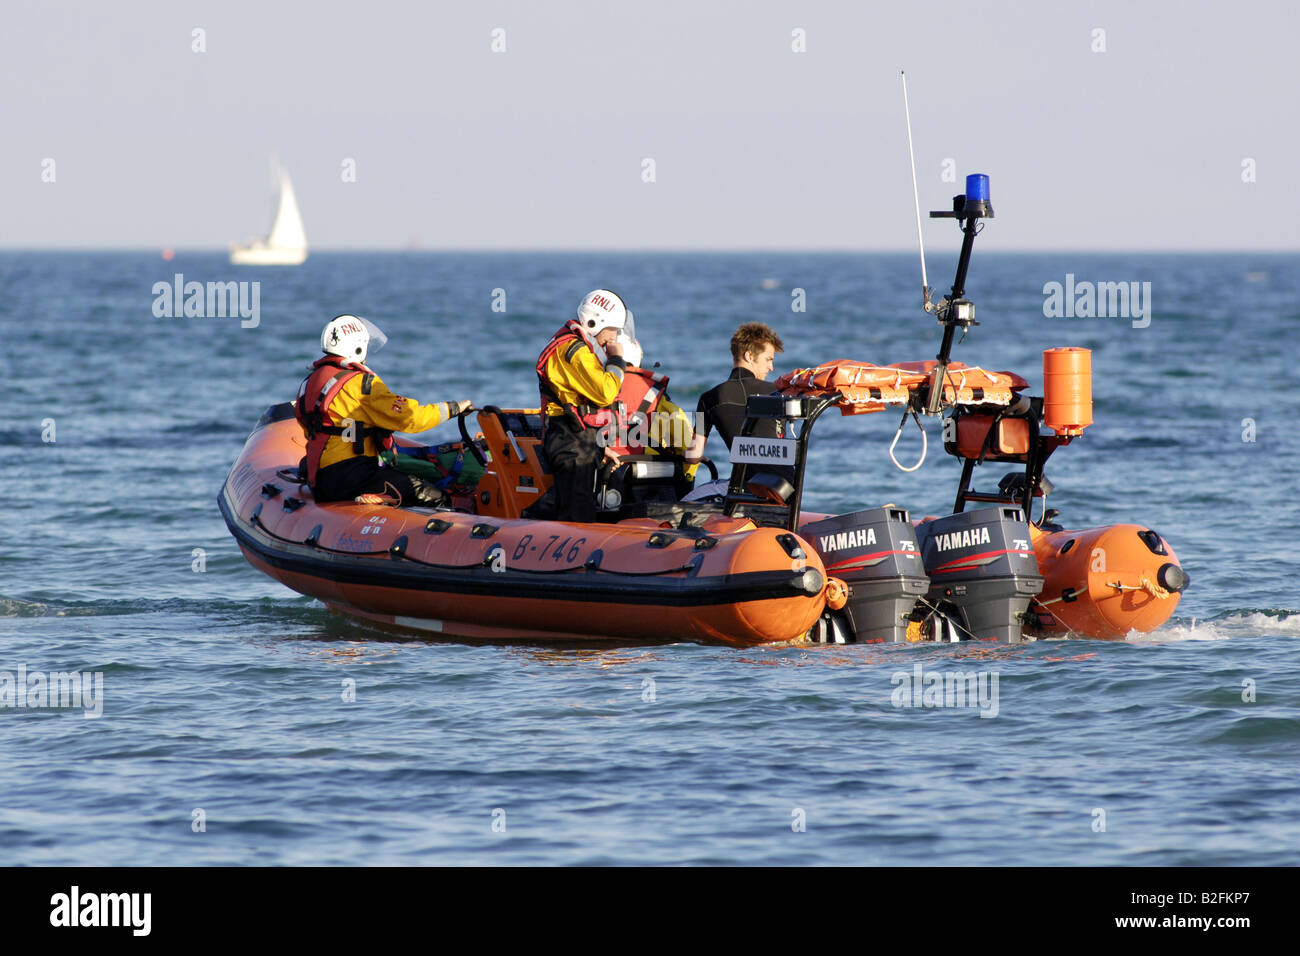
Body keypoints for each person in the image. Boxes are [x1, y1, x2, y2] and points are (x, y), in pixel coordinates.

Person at [296, 314, 474, 506]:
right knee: (434, 496)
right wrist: (453, 408)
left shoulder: (312, 380)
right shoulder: (361, 384)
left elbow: (305, 421)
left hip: (319, 478)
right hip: (351, 477)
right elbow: (411, 418)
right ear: (357, 347)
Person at [536, 289, 630, 522]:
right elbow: (606, 392)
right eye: (612, 331)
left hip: (579, 438)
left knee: (582, 503)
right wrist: (618, 359)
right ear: (595, 323)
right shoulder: (574, 350)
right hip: (568, 440)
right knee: (577, 511)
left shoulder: (578, 347)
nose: (613, 338)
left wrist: (597, 447)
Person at [684, 322, 787, 498]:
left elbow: (693, 456)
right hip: (786, 487)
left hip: (750, 489)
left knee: (684, 502)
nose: (771, 367)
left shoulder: (708, 398)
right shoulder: (778, 394)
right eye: (768, 359)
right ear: (749, 356)